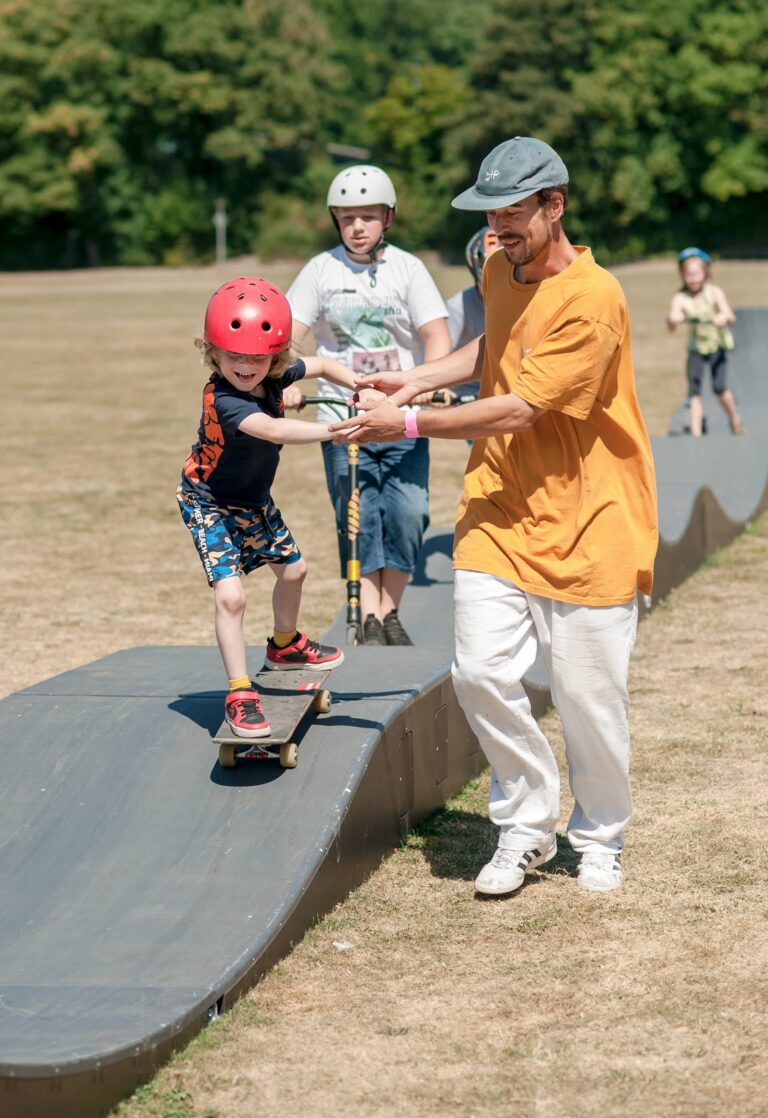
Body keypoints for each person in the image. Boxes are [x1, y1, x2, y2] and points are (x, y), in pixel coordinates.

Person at [329, 137, 658, 895]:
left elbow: (517, 408)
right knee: (478, 671)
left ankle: (601, 835)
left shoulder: (594, 298)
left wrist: (404, 427)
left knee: (587, 698)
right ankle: (524, 824)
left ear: (556, 205)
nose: (498, 229)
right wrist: (412, 380)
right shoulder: (500, 266)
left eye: (513, 214)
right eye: (490, 214)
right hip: (499, 508)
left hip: (592, 519)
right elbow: (493, 350)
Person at [177, 276, 374, 738]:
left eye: (259, 358)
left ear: (276, 355)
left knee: (294, 571)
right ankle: (240, 692)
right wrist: (334, 431)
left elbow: (323, 363)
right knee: (231, 596)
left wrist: (358, 386)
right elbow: (274, 431)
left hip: (251, 500)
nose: (246, 366)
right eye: (233, 356)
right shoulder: (222, 398)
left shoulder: (273, 375)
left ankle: (284, 646)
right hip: (208, 503)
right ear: (212, 351)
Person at [285, 165, 452, 646]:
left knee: (408, 511)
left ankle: (387, 608)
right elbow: (291, 340)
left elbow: (436, 337)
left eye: (367, 216)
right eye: (347, 218)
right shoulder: (321, 271)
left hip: (400, 415)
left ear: (388, 218)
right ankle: (374, 616)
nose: (357, 227)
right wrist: (291, 380)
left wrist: (417, 388)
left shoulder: (408, 268)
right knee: (357, 515)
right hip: (342, 417)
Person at [667, 247, 742, 436]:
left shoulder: (714, 293)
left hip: (717, 346)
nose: (693, 279)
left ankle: (734, 417)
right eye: (688, 275)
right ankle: (695, 434)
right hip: (696, 349)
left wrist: (723, 317)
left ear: (705, 273)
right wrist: (673, 318)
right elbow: (673, 319)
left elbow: (730, 316)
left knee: (719, 388)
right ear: (682, 276)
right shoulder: (681, 297)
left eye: (697, 274)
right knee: (695, 393)